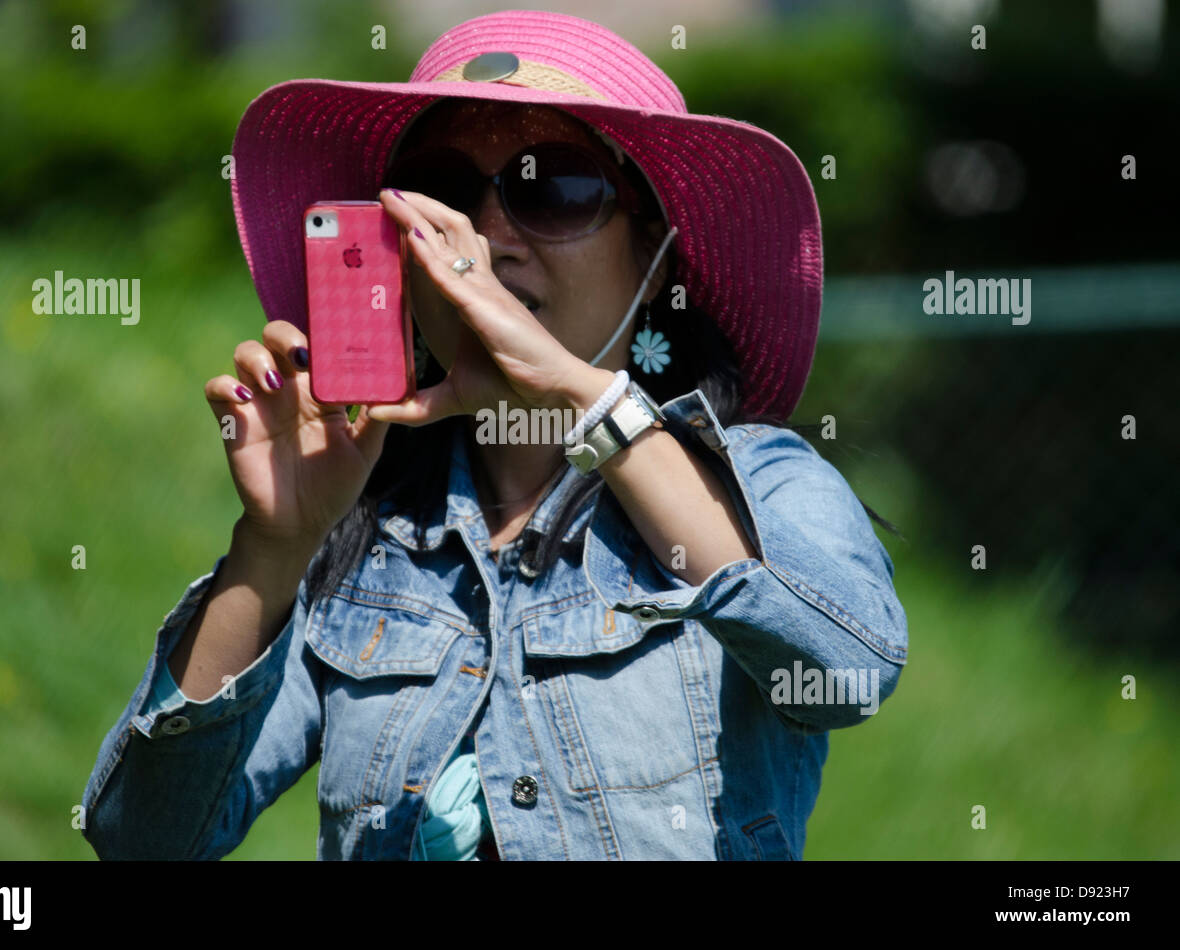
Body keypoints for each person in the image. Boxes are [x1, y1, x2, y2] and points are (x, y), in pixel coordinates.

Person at [81, 10, 908, 861]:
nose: (488, 240)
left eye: (554, 187)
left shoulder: (760, 483)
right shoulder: (363, 530)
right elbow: (143, 840)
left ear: (655, 258)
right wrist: (274, 547)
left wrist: (579, 396)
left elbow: (849, 672)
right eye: (438, 196)